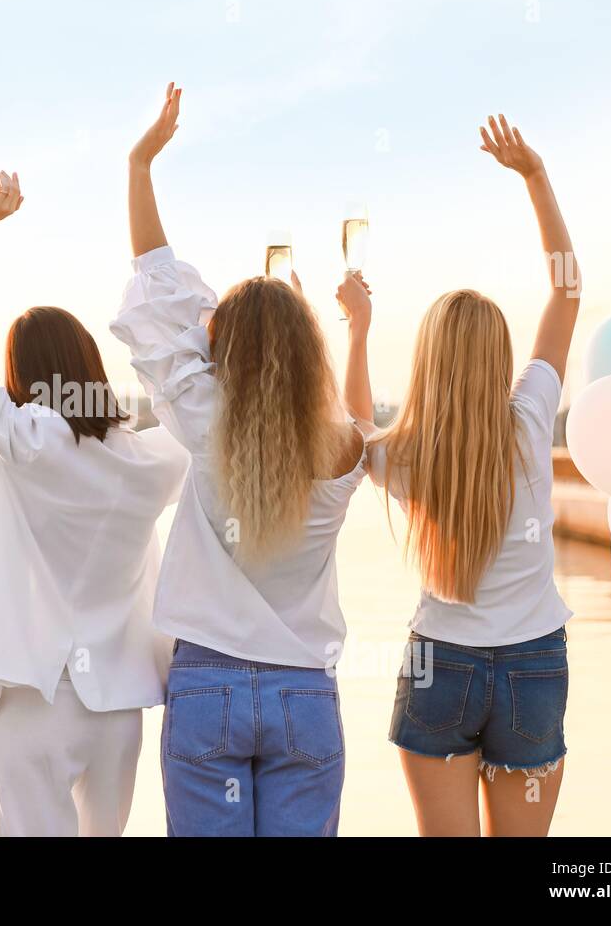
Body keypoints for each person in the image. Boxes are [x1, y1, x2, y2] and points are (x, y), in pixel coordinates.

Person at [112, 84, 375, 836]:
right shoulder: (345, 448)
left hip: (208, 690)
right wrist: (327, 330)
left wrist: (140, 166)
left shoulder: (205, 420)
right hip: (303, 697)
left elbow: (161, 300)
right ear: (308, 354)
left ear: (220, 347)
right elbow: (336, 404)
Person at [0, 171, 190, 836]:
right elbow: (193, 408)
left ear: (24, 379)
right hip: (117, 708)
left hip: (30, 701)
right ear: (91, 367)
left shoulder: (31, 439)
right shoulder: (150, 459)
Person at [364, 115, 579, 837]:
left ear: (428, 362)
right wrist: (534, 175)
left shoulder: (408, 458)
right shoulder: (529, 419)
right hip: (534, 665)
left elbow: (354, 430)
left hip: (439, 666)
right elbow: (568, 292)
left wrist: (357, 330)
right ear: (500, 361)